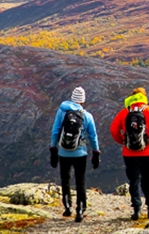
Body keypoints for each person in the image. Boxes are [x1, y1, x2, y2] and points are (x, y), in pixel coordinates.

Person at [111, 87, 149, 220]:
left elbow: (114, 130)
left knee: (134, 180)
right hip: (148, 152)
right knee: (148, 180)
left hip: (129, 153)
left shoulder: (124, 112)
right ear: (144, 97)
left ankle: (136, 210)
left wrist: (123, 141)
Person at [49, 86, 100, 223]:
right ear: (82, 101)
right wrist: (96, 152)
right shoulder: (87, 116)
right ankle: (80, 210)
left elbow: (55, 132)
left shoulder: (61, 112)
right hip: (80, 153)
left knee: (65, 180)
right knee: (80, 181)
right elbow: (93, 136)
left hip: (64, 153)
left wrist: (53, 149)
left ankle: (67, 207)